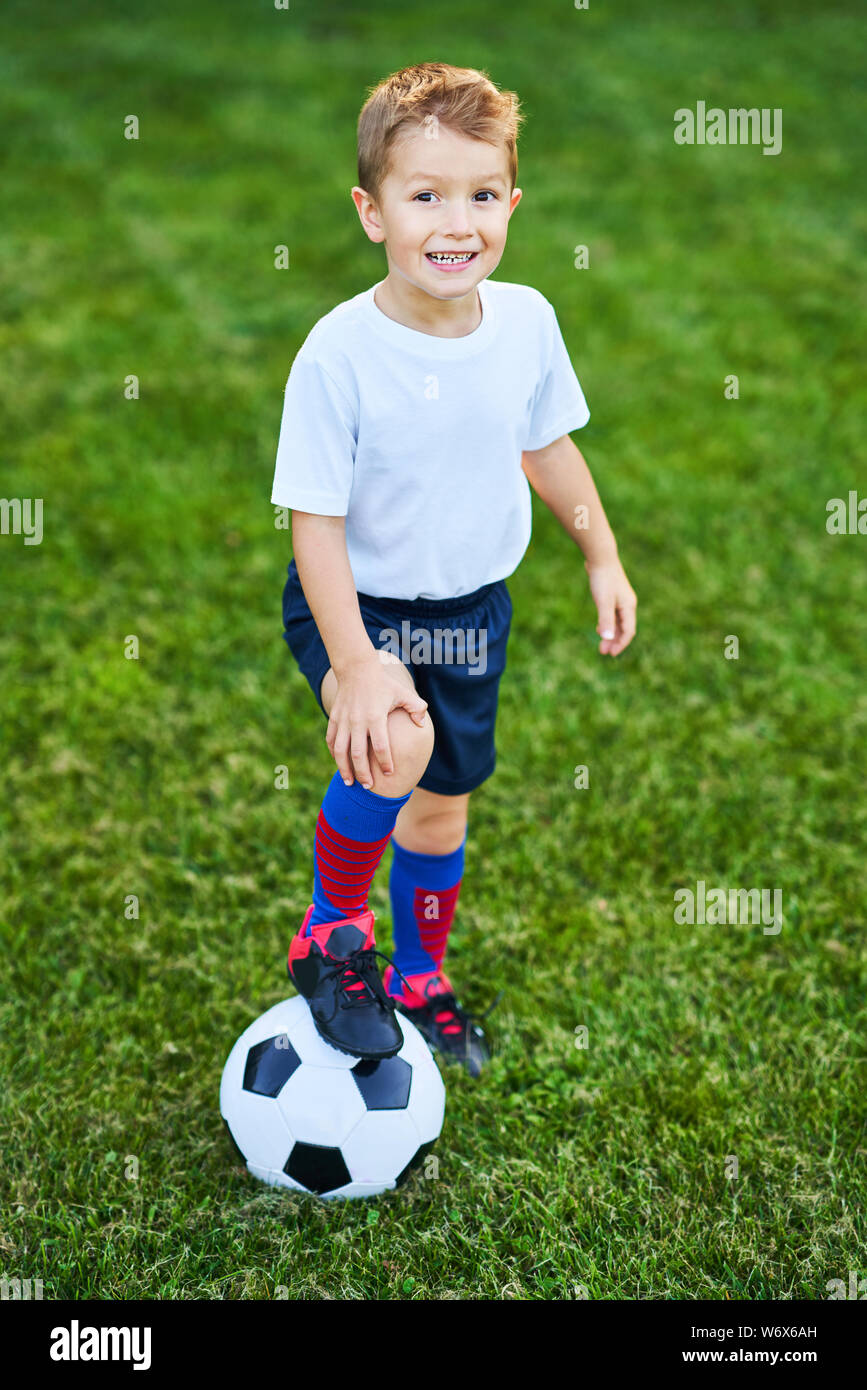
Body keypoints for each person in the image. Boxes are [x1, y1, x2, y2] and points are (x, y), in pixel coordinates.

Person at [271, 62, 637, 1078]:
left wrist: (599, 551)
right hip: (358, 596)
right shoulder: (338, 353)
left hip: (471, 605)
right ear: (371, 212)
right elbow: (314, 523)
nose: (456, 221)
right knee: (393, 744)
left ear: (513, 204)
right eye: (424, 195)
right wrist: (354, 662)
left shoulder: (525, 323)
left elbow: (547, 447)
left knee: (440, 799)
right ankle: (331, 934)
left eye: (481, 195)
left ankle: (419, 974)